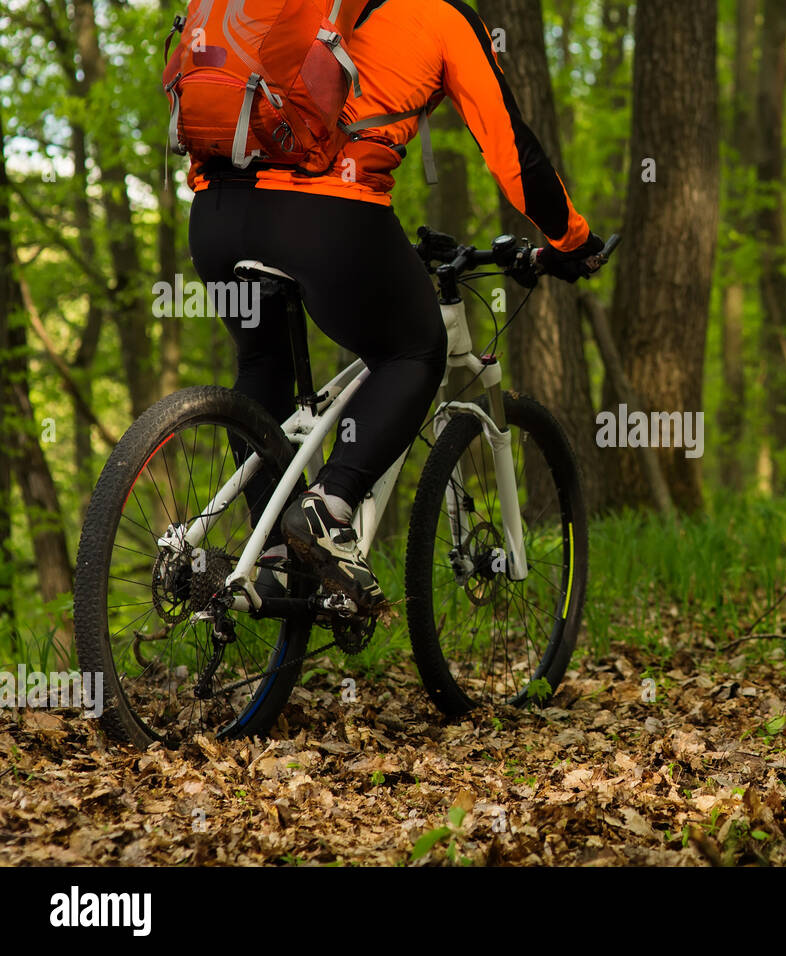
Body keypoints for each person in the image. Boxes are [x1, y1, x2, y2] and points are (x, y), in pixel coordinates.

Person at [187, 0, 604, 612]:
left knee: (263, 364)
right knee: (414, 349)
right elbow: (511, 148)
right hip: (325, 212)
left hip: (216, 214)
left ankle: (274, 557)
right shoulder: (439, 14)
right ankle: (329, 507)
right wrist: (572, 240)